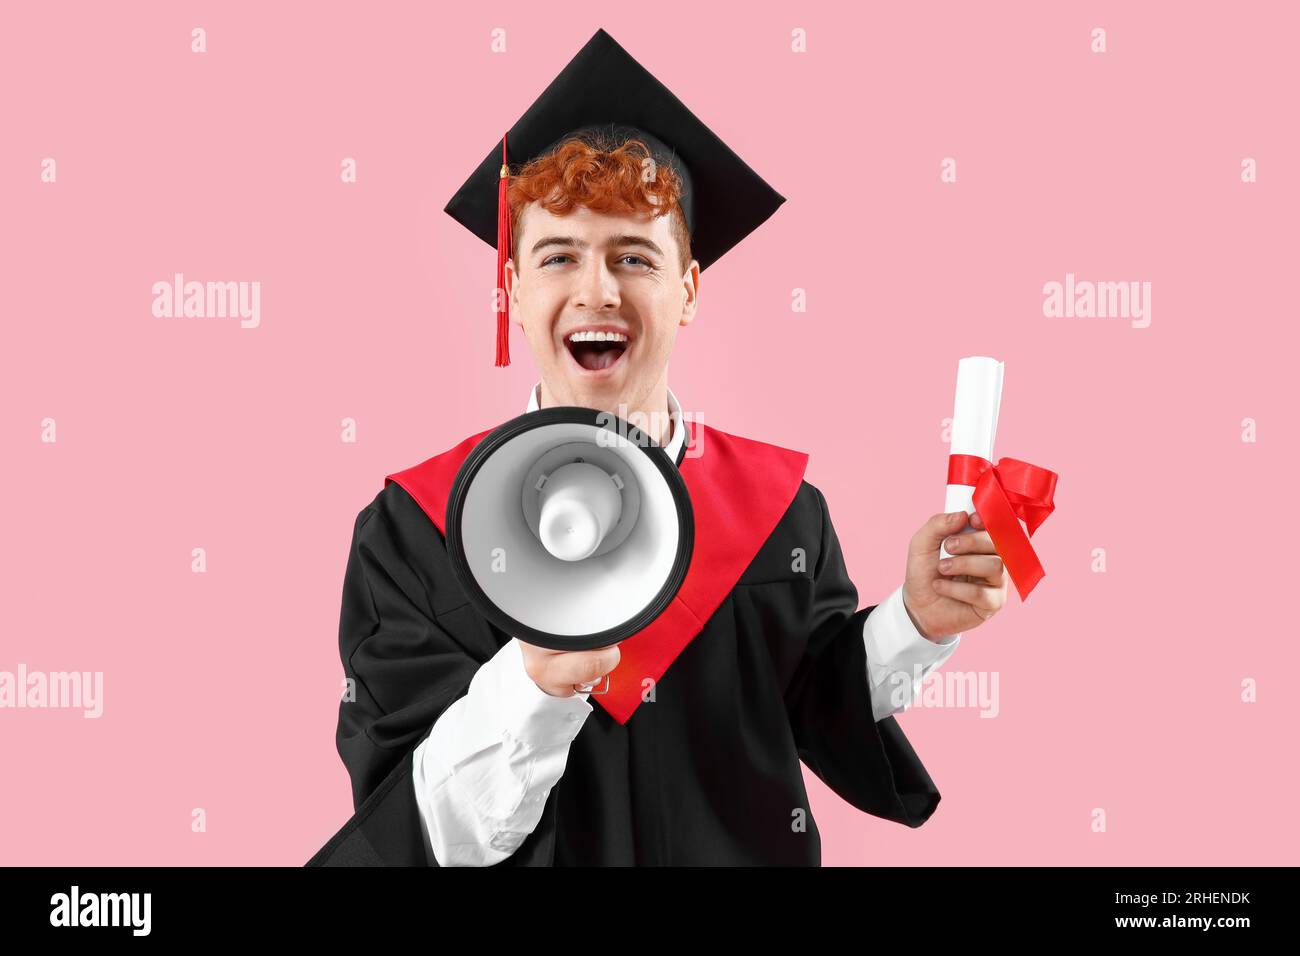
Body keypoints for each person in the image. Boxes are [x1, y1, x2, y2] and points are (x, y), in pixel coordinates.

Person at [307, 28, 1009, 868]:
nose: (596, 290)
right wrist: (533, 681)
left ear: (686, 289)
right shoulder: (415, 532)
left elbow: (818, 709)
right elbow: (416, 828)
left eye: (633, 256)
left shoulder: (781, 510)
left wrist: (917, 622)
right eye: (558, 255)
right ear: (514, 290)